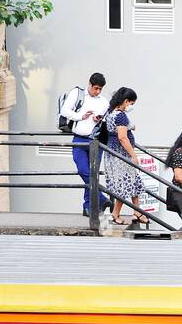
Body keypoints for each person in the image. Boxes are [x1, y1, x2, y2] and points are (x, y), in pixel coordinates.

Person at [61, 72, 110, 216]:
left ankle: (87, 207)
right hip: (80, 138)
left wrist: (98, 118)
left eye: (100, 89)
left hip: (96, 140)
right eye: (95, 88)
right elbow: (65, 111)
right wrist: (80, 116)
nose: (98, 92)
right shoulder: (77, 94)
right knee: (83, 170)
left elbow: (107, 119)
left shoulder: (104, 101)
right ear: (89, 84)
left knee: (92, 173)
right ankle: (101, 197)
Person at [101, 87, 146, 228]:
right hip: (120, 156)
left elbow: (115, 130)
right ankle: (115, 215)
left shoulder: (110, 112)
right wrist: (133, 155)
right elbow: (122, 137)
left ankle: (137, 212)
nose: (130, 107)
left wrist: (130, 127)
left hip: (113, 154)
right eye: (131, 103)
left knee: (134, 182)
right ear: (126, 101)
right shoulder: (120, 115)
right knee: (123, 184)